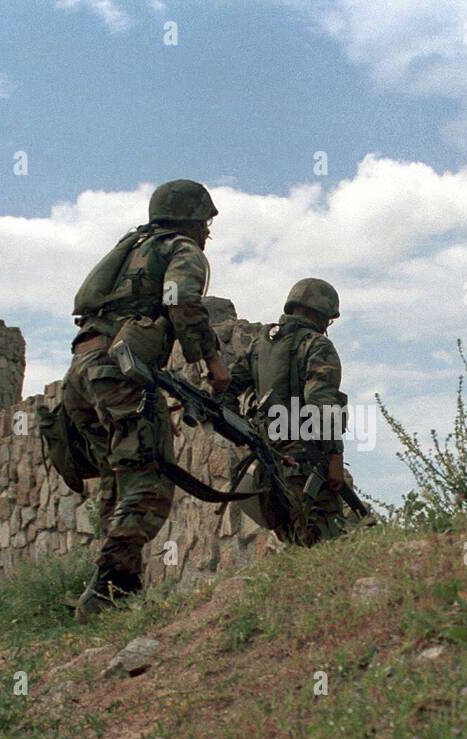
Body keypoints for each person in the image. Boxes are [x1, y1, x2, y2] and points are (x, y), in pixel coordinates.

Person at [61, 179, 230, 620]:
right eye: (204, 222)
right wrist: (212, 361)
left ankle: (116, 588)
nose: (207, 233)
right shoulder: (181, 249)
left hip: (80, 375)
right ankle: (107, 589)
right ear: (191, 220)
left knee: (123, 479)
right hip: (120, 374)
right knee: (150, 483)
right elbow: (181, 299)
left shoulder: (131, 247)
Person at [224, 278, 350, 546]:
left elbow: (226, 387)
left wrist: (240, 429)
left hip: (268, 461)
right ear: (322, 312)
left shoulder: (259, 346)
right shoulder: (316, 345)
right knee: (326, 542)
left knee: (295, 541)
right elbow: (324, 406)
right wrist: (334, 456)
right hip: (306, 460)